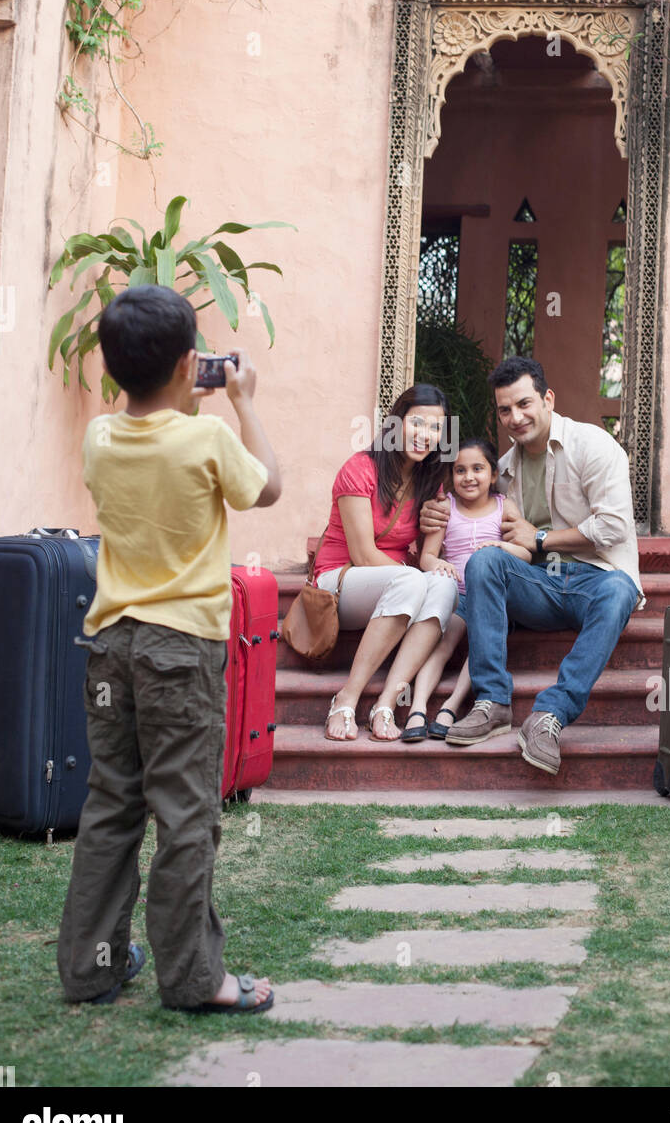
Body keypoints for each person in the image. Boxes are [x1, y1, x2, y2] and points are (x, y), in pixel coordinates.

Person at [57, 285, 281, 1014]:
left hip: (110, 646)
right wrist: (243, 402)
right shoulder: (209, 439)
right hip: (179, 651)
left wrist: (182, 394)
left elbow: (146, 440)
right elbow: (267, 488)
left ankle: (92, 969)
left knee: (112, 805)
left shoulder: (97, 437)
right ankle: (192, 979)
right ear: (193, 366)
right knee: (186, 815)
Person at [420, 356, 644, 775]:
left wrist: (541, 538)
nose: (515, 417)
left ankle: (550, 715)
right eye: (505, 409)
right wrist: (431, 513)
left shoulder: (592, 445)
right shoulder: (503, 469)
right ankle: (492, 703)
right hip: (540, 582)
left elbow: (613, 526)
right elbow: (465, 495)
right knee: (485, 560)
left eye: (524, 404)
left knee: (619, 592)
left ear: (548, 399)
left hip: (596, 580)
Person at [314, 384, 460, 741]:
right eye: (418, 423)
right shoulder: (360, 468)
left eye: (435, 428)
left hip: (396, 589)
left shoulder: (430, 482)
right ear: (397, 423)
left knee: (443, 583)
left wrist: (431, 540)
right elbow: (363, 555)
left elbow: (427, 559)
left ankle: (386, 704)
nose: (425, 435)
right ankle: (346, 699)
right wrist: (413, 575)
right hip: (340, 582)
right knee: (413, 581)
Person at [404, 439, 530, 742]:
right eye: (460, 470)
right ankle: (417, 708)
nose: (469, 477)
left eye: (477, 469)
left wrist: (502, 545)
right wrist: (439, 565)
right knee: (443, 646)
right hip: (457, 595)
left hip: (489, 599)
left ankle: (451, 706)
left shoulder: (504, 507)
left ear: (493, 473)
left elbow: (527, 555)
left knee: (481, 645)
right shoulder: (445, 508)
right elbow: (427, 557)